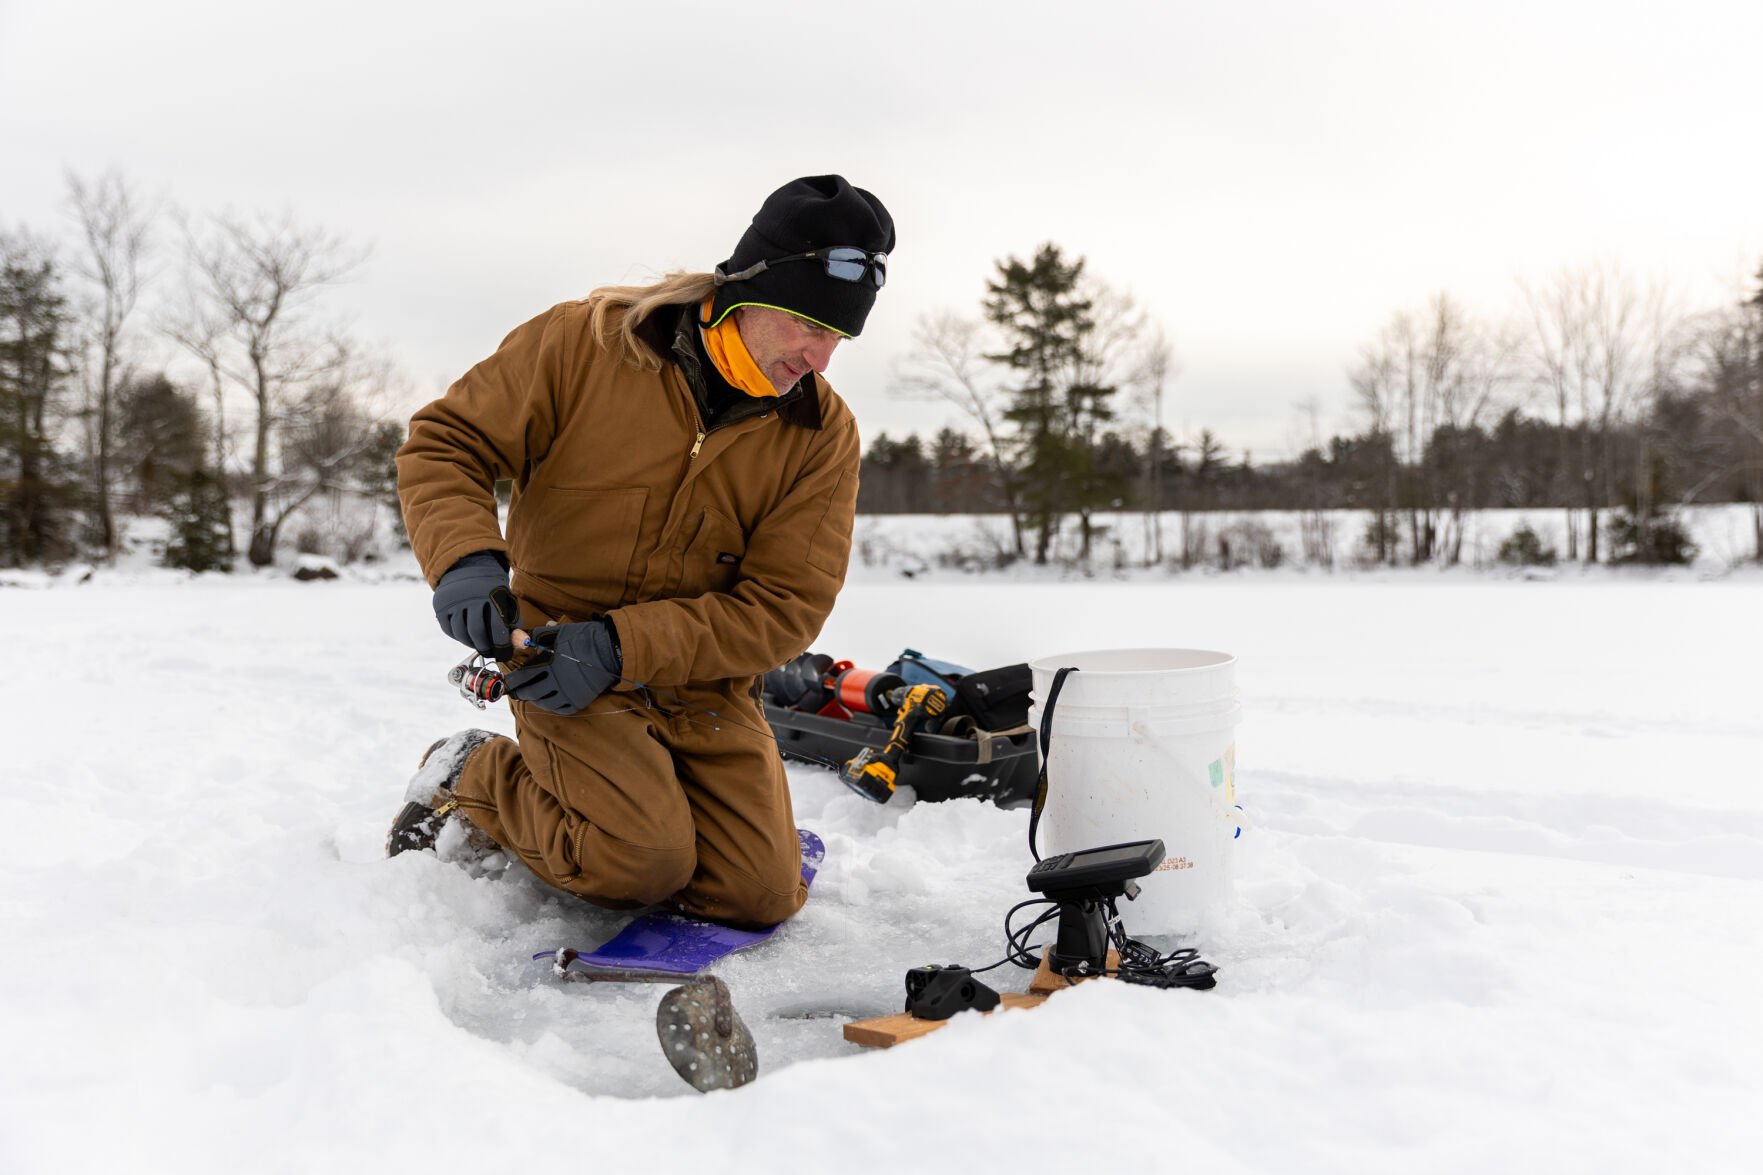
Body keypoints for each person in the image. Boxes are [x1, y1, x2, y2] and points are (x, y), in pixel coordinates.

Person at [389, 175, 892, 931]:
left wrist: (622, 646)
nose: (819, 359)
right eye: (807, 326)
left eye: (837, 339)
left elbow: (786, 605)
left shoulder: (820, 434)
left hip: (701, 679)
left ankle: (652, 807)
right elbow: (446, 443)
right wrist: (465, 561)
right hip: (557, 658)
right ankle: (473, 772)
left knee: (757, 895)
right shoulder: (584, 344)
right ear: (748, 293)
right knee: (637, 860)